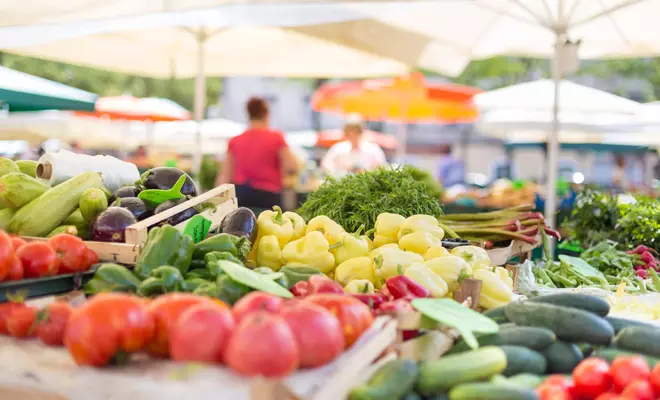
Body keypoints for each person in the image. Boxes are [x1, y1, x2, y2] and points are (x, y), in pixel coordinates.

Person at [216, 97, 298, 210]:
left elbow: (225, 176)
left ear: (248, 114)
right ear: (266, 114)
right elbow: (292, 167)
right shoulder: (276, 138)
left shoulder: (235, 141)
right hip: (269, 197)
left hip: (242, 196)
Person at [320, 118, 387, 177]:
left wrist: (367, 171)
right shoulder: (337, 149)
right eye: (349, 133)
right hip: (342, 185)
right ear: (346, 134)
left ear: (360, 132)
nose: (353, 135)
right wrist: (339, 172)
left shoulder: (373, 149)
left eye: (355, 132)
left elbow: (381, 166)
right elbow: (326, 165)